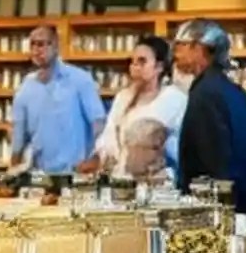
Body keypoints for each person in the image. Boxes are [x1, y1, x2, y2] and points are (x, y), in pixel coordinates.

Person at [173, 18, 246, 223]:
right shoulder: (235, 91)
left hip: (220, 210)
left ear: (200, 48)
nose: (175, 53)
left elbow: (211, 158)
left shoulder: (205, 94)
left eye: (181, 46)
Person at [79, 36, 187, 176]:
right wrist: (97, 158)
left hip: (161, 183)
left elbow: (185, 145)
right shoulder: (123, 98)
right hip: (123, 180)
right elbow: (108, 136)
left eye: (142, 62)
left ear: (159, 67)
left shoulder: (175, 99)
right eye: (132, 62)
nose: (135, 67)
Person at [10, 24, 107, 174]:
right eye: (33, 44)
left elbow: (98, 124)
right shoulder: (25, 87)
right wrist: (13, 170)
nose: (36, 50)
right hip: (40, 176)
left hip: (76, 175)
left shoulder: (80, 80)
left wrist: (96, 158)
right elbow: (19, 136)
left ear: (56, 45)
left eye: (42, 44)